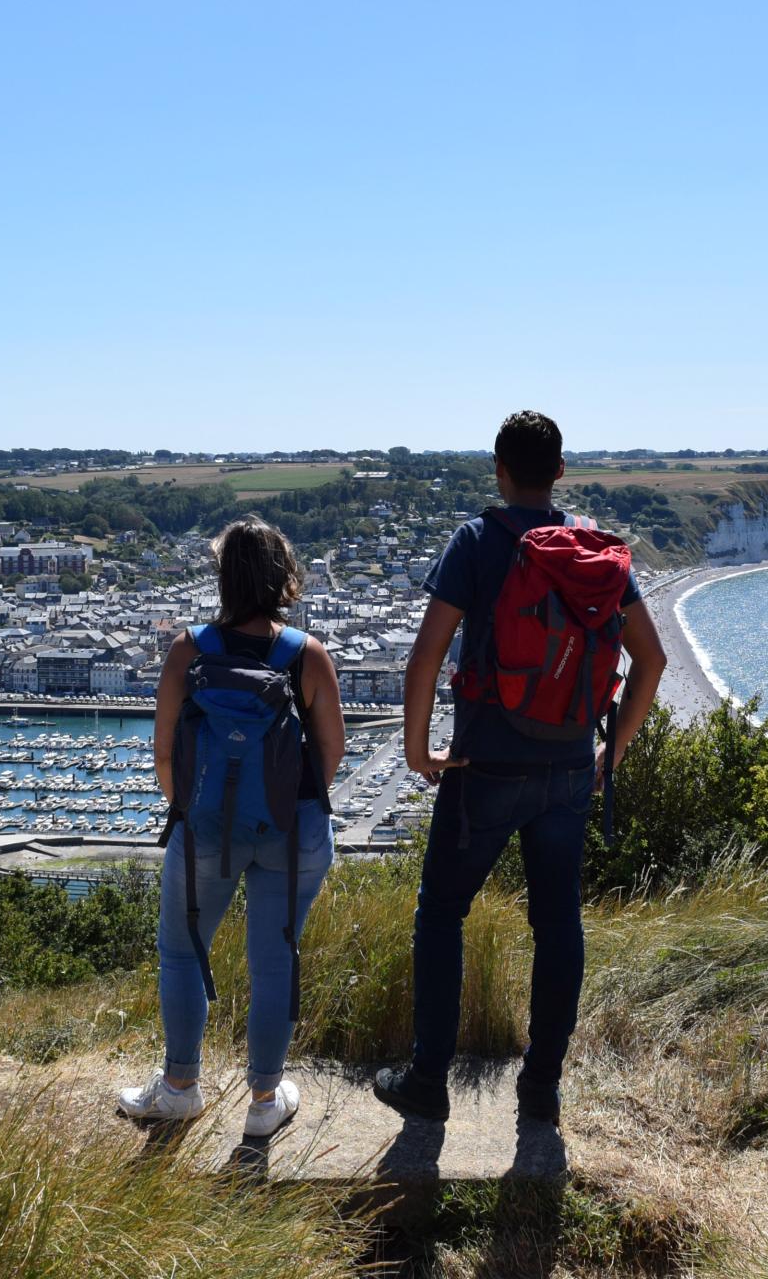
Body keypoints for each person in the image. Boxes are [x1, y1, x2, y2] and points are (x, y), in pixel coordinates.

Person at [373, 410, 667, 1130]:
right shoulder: (595, 553)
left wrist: (419, 752)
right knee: (558, 921)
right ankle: (540, 1089)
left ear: (498, 470)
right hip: (568, 767)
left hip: (485, 767)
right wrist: (612, 751)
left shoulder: (476, 541)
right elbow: (651, 662)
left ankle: (428, 1080)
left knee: (442, 912)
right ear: (560, 471)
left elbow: (426, 655)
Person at [118, 516, 346, 1138]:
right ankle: (265, 1101)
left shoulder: (189, 651)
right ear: (283, 576)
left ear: (223, 577)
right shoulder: (306, 655)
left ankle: (180, 1087)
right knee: (275, 959)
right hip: (292, 830)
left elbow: (164, 754)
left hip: (206, 830)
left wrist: (198, 811)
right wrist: (288, 803)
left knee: (182, 949)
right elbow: (332, 754)